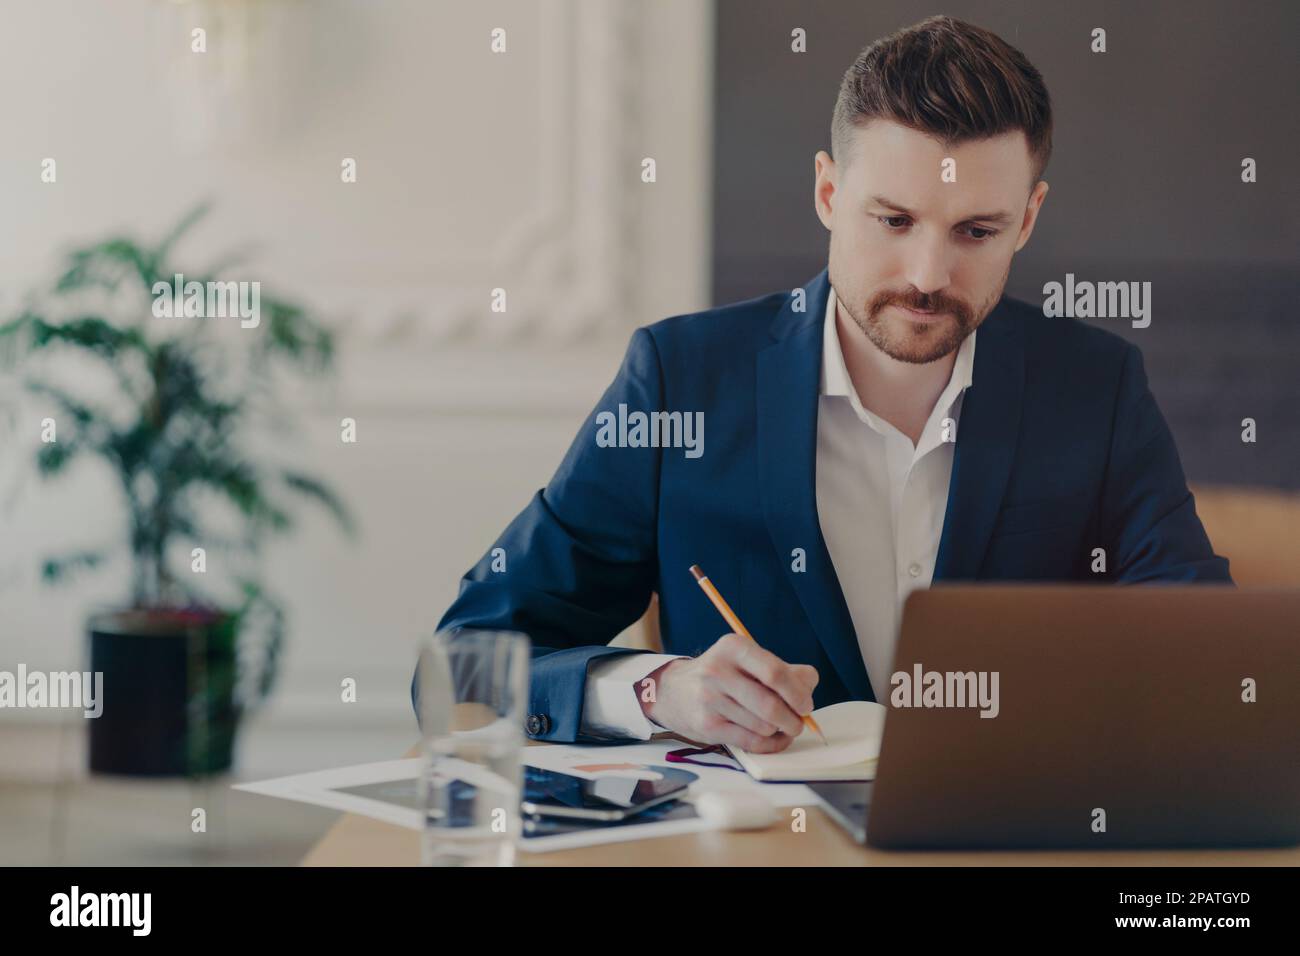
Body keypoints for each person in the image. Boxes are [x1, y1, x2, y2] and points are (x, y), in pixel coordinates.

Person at [415, 15, 1230, 754]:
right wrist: (662, 692)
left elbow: (1210, 657)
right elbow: (460, 663)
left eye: (976, 231)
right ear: (829, 194)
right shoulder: (679, 382)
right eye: (893, 220)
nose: (927, 275)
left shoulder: (1097, 387)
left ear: (1027, 219)